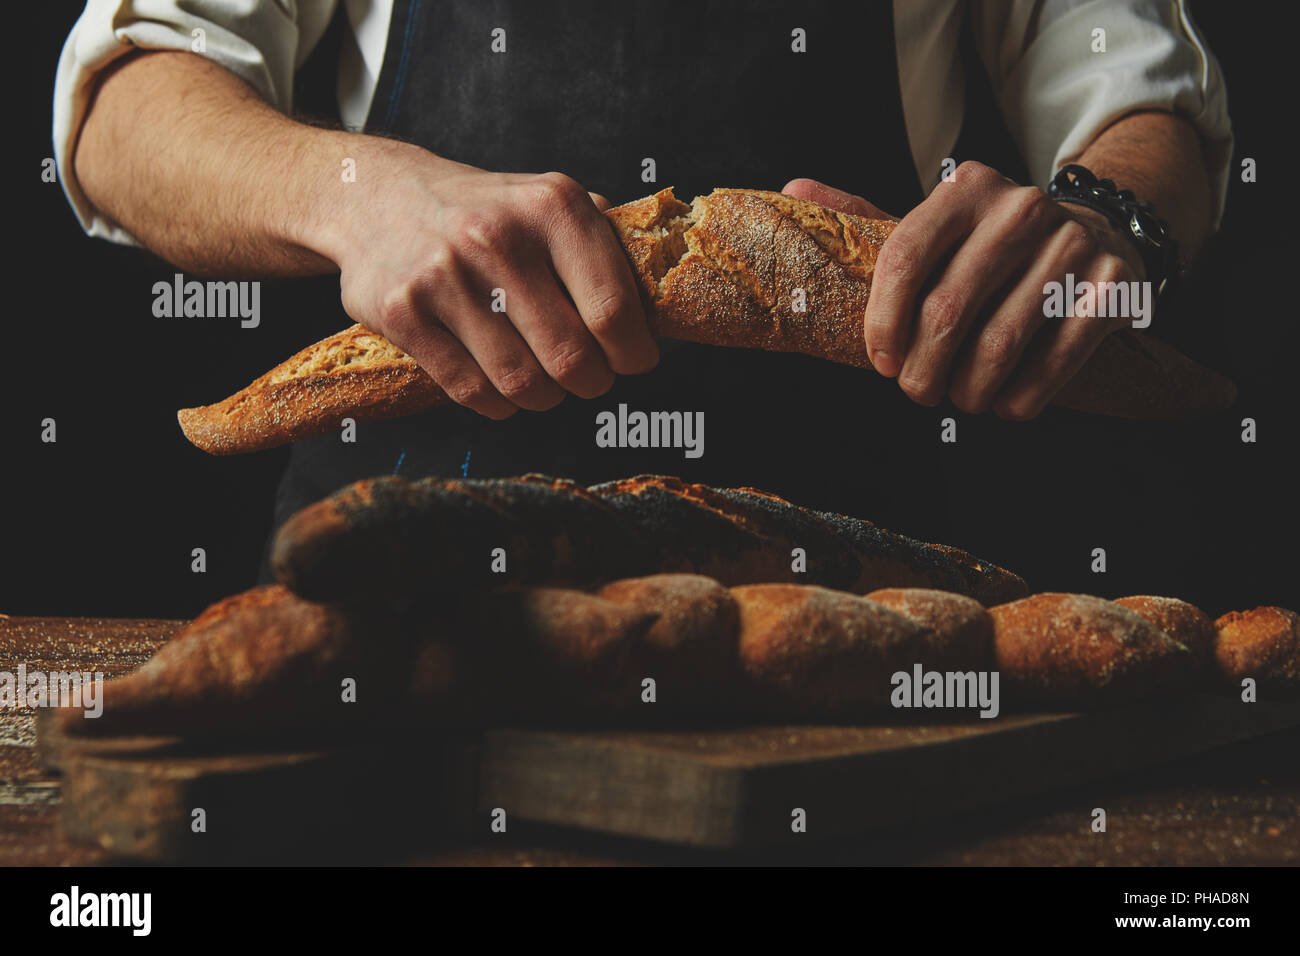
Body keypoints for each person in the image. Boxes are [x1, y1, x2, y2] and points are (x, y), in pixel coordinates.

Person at [54, 0, 1231, 572]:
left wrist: (1105, 213)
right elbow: (124, 102)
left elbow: (1138, 90)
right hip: (404, 600)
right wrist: (355, 191)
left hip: (853, 605)